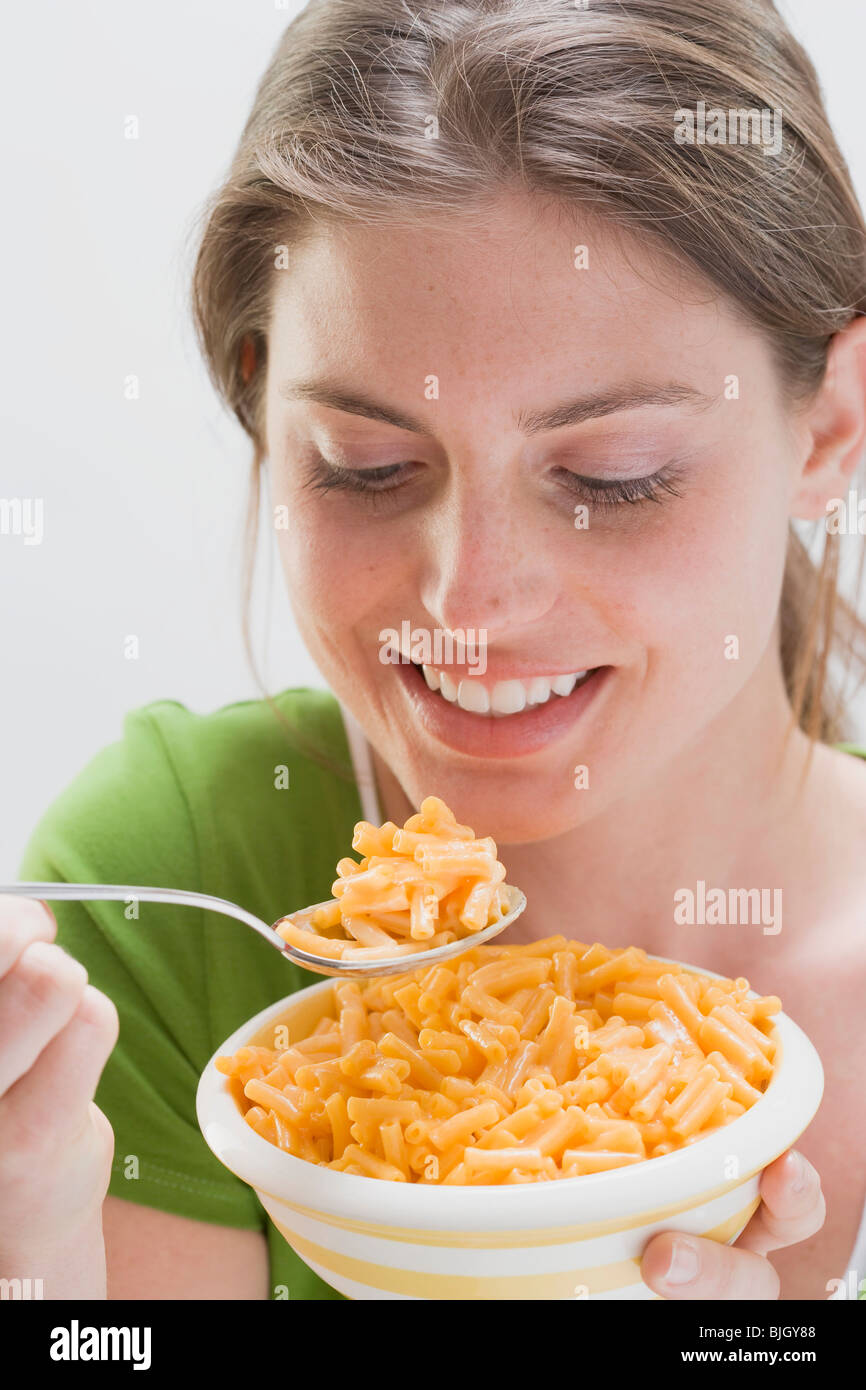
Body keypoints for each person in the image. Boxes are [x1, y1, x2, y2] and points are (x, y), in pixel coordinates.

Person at [4, 0, 866, 1301]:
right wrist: (42, 1289)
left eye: (612, 474)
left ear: (827, 431)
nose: (468, 601)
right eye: (370, 465)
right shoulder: (158, 891)